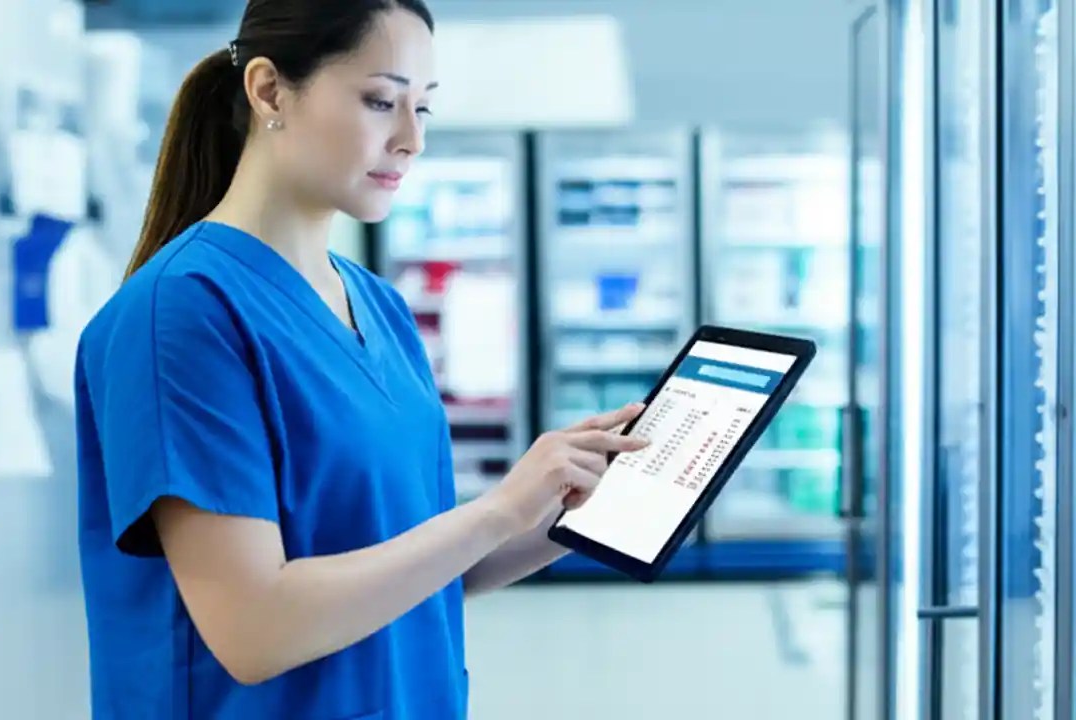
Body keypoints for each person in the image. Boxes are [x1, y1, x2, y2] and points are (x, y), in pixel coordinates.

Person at [73, 1, 649, 718]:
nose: (412, 140)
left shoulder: (379, 307)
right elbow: (253, 628)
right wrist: (497, 510)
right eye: (381, 101)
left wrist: (571, 504)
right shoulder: (182, 313)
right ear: (269, 91)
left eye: (423, 108)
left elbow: (420, 566)